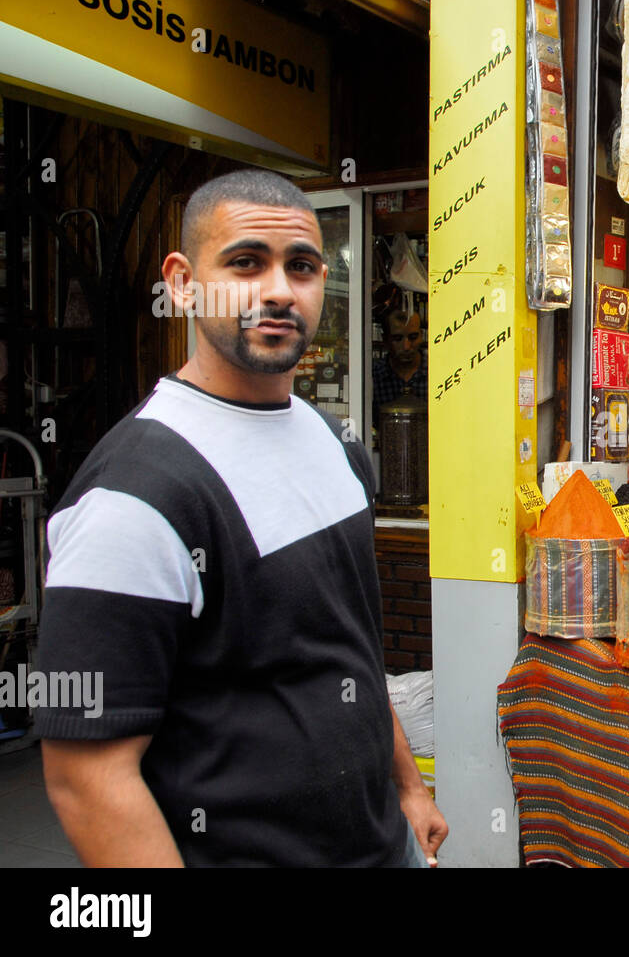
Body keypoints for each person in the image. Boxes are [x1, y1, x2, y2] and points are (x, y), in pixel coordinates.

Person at [35, 170, 448, 866]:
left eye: (303, 267)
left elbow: (348, 647)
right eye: (246, 262)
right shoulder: (132, 496)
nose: (280, 290)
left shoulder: (335, 443)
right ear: (184, 281)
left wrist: (408, 785)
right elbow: (85, 778)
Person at [372, 307, 428, 418]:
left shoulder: (438, 373)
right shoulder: (373, 377)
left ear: (422, 336)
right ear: (385, 340)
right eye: (397, 338)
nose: (406, 346)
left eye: (413, 337)